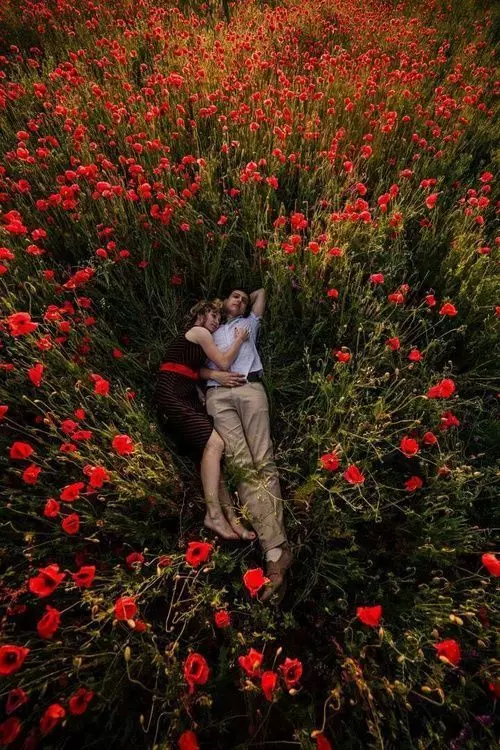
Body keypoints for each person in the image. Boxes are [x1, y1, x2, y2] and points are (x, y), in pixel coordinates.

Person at [199, 288, 292, 602]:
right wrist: (215, 374)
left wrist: (244, 300)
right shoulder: (210, 329)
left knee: (263, 460)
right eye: (233, 297)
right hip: (217, 393)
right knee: (241, 464)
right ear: (221, 304)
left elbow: (262, 291)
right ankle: (277, 551)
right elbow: (194, 366)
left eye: (242, 298)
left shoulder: (251, 323)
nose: (238, 300)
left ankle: (274, 552)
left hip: (250, 388)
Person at [154, 300, 256, 542]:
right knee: (216, 445)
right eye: (212, 315)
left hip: (185, 397)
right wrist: (240, 339)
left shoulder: (196, 340)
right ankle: (213, 514)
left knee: (212, 457)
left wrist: (211, 377)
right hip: (172, 395)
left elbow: (198, 370)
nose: (216, 321)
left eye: (219, 318)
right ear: (200, 314)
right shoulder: (199, 332)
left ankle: (231, 518)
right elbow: (223, 362)